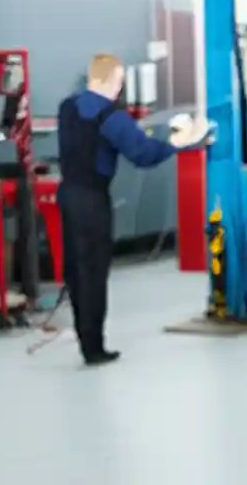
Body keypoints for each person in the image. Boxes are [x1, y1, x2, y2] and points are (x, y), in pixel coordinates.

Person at [56, 53, 208, 366]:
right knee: (95, 272)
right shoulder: (110, 115)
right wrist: (180, 142)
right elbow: (143, 153)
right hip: (93, 200)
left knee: (76, 271)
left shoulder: (67, 108)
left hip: (67, 195)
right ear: (115, 80)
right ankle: (95, 348)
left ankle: (86, 340)